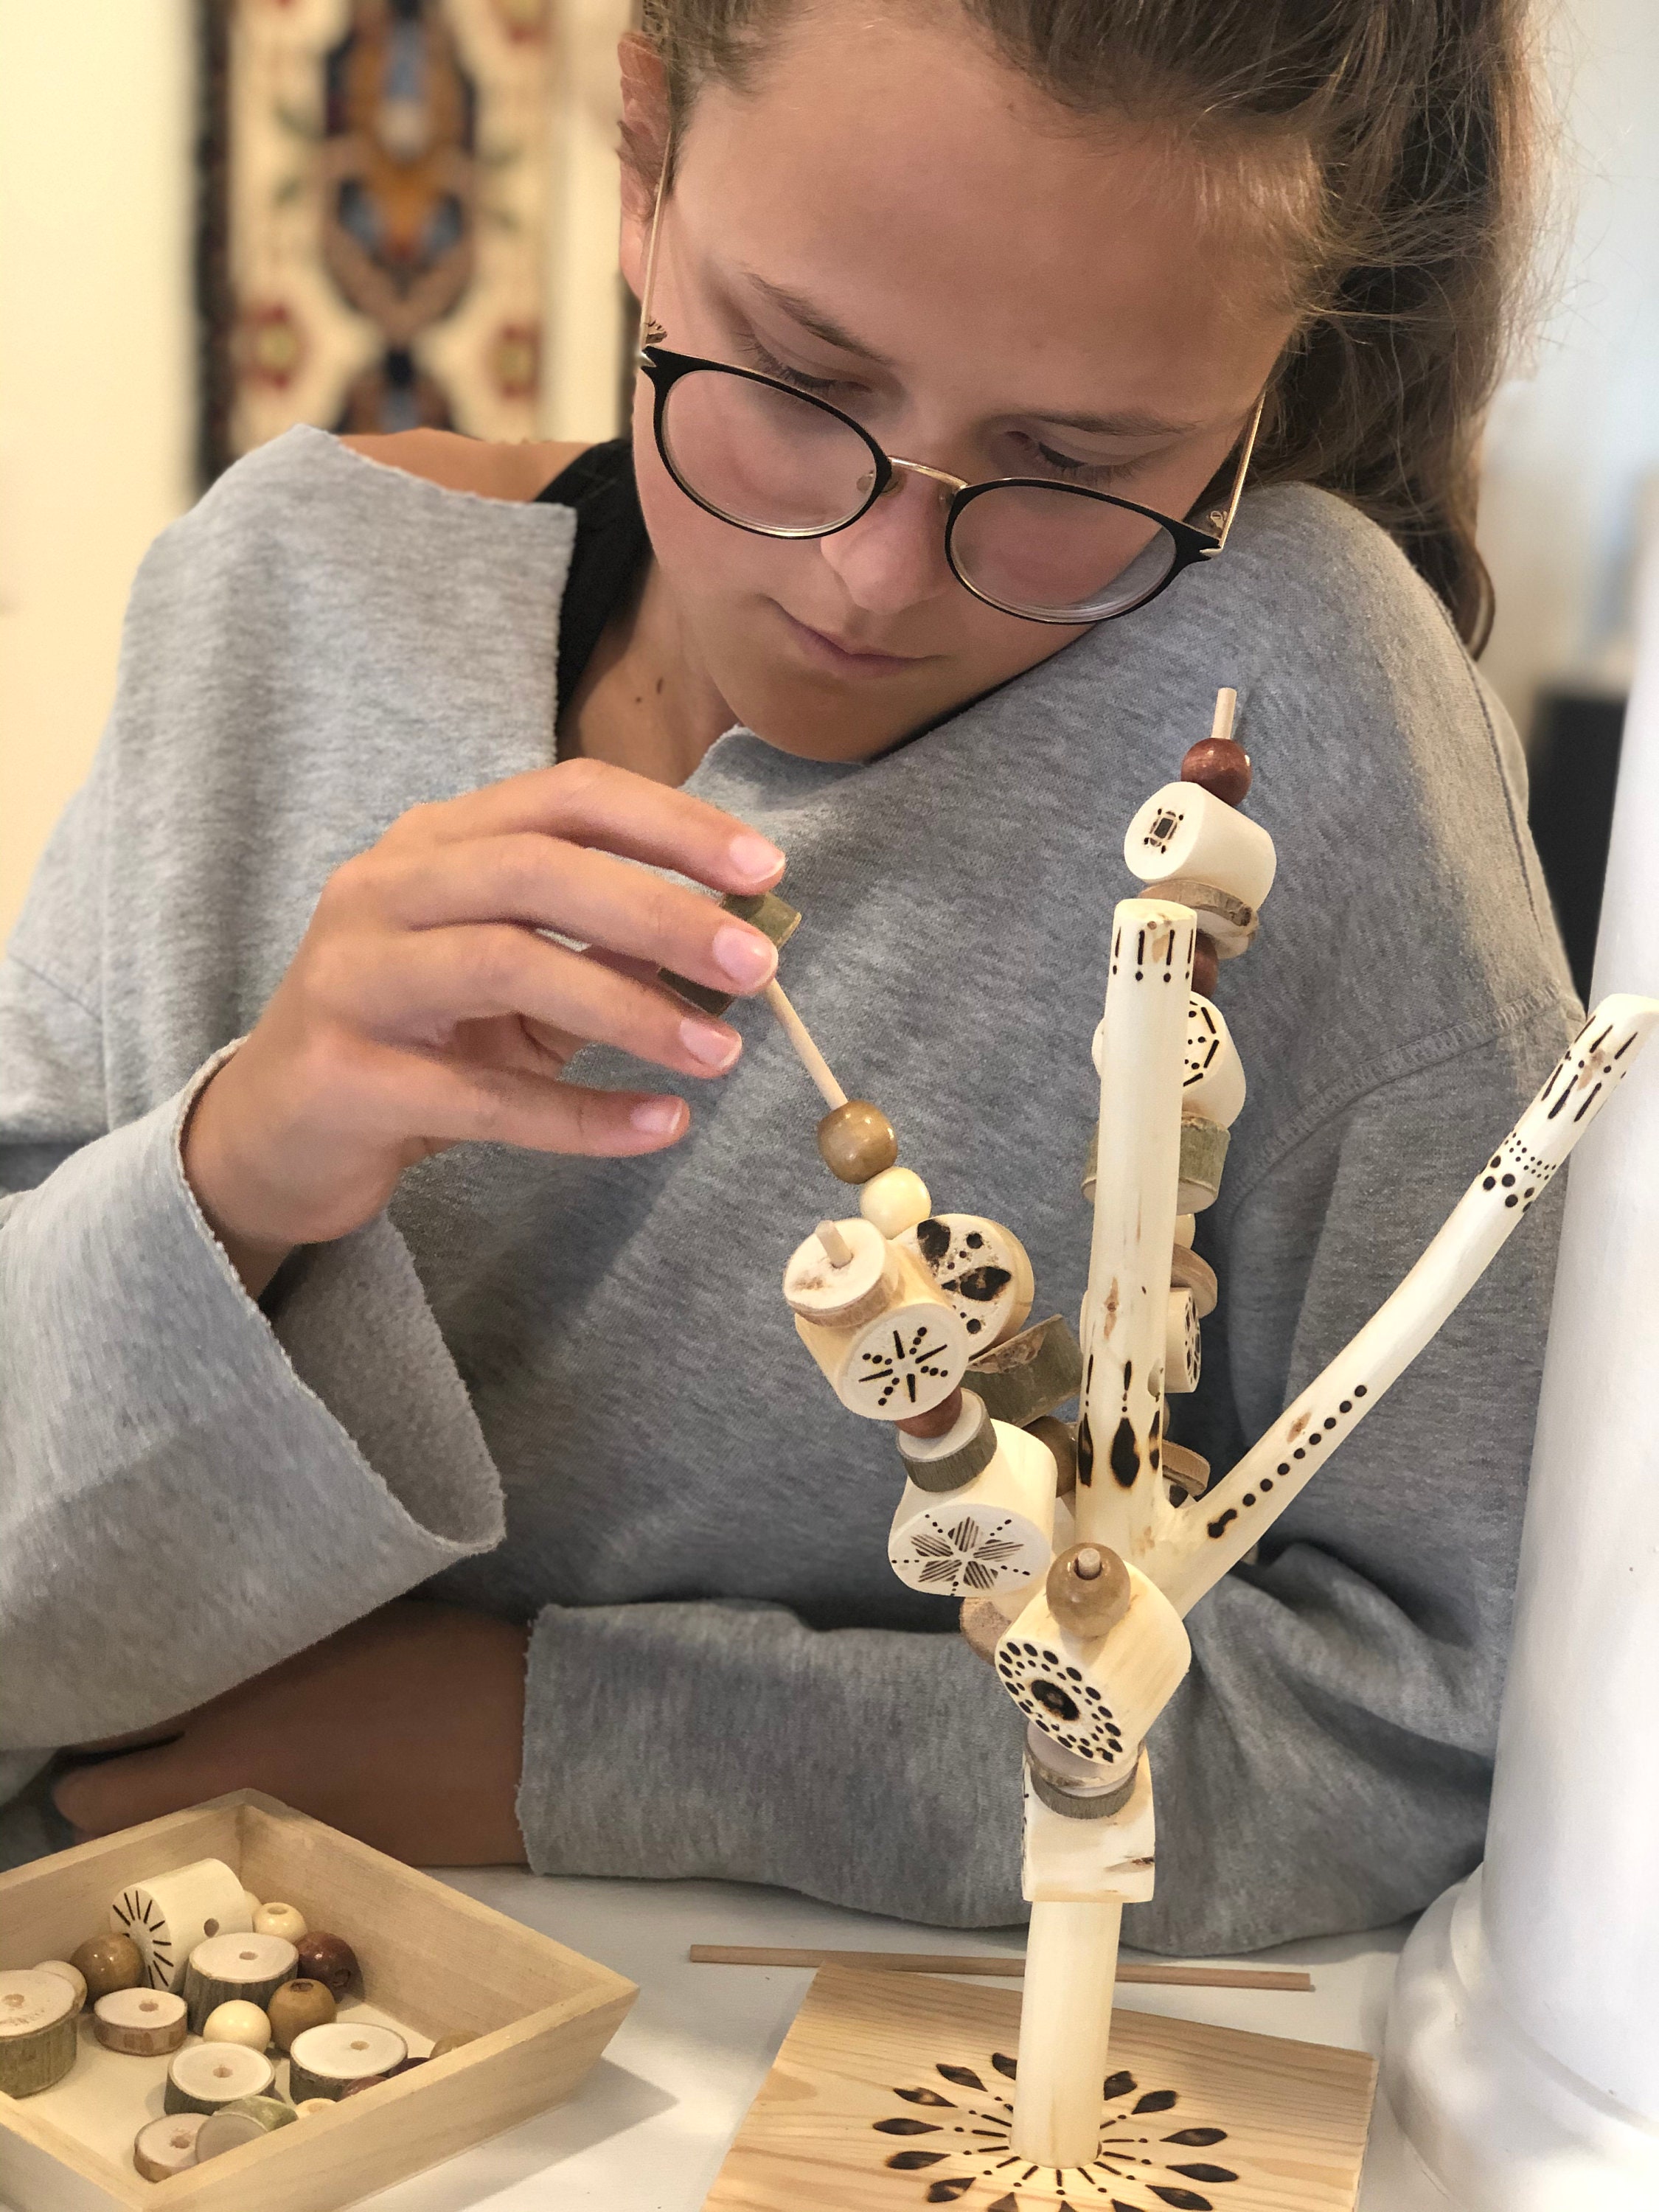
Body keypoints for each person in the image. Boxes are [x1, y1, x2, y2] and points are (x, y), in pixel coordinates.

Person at [1, 0, 1575, 1952]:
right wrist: (235, 1171)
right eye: (801, 376)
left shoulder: (1289, 740)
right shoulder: (278, 596)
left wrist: (543, 1737)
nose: (868, 579)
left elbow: (1432, 1721)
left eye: (1080, 459)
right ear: (644, 149)